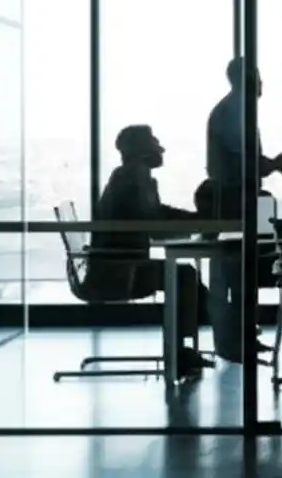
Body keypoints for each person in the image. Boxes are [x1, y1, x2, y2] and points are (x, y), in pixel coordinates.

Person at [201, 56, 282, 362]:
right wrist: (280, 163)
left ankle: (243, 335)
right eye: (257, 77)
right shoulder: (233, 111)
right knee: (235, 272)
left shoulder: (237, 110)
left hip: (243, 197)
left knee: (244, 271)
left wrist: (277, 164)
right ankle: (232, 340)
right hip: (233, 199)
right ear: (244, 79)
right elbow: (245, 161)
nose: (262, 83)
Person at [90, 125, 211, 378]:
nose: (160, 149)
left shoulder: (131, 176)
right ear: (141, 151)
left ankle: (185, 345)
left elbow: (155, 216)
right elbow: (155, 223)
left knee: (186, 277)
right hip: (121, 271)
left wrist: (196, 219)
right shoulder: (134, 177)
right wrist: (198, 221)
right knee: (185, 277)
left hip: (122, 266)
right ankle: (183, 348)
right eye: (155, 143)